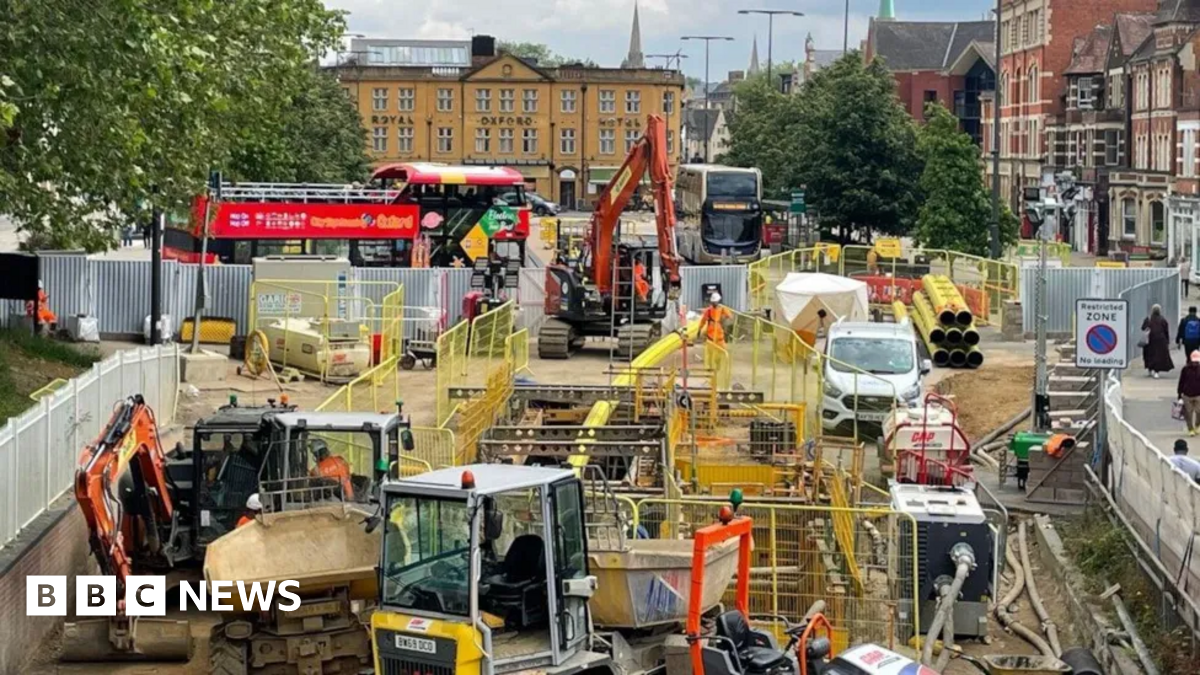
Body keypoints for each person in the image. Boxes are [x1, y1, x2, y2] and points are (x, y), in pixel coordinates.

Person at [1141, 304, 1174, 379]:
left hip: (1149, 340)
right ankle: (1156, 371)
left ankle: (1149, 369)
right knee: (1158, 356)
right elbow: (1166, 331)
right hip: (1160, 341)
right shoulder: (1163, 319)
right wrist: (1167, 341)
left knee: (1149, 355)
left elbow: (1143, 328)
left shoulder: (1148, 319)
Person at [1180, 352, 1200, 435]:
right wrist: (1179, 393)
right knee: (1188, 413)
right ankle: (1190, 429)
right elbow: (1181, 381)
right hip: (1187, 394)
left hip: (1198, 394)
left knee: (1199, 411)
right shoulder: (1185, 369)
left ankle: (1197, 425)